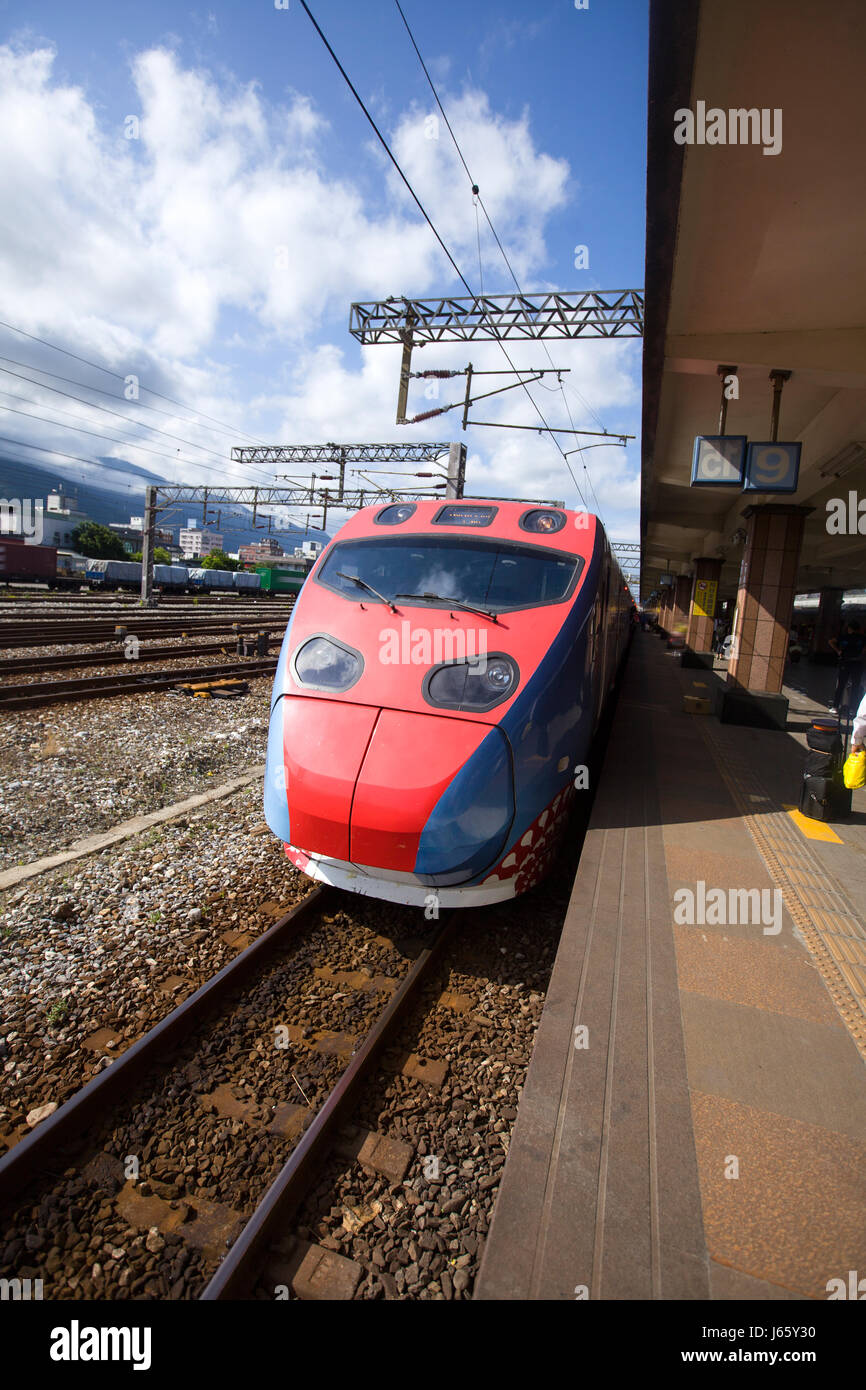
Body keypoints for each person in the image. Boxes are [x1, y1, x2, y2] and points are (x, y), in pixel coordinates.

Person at [829, 620, 865, 714]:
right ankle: (853, 709)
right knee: (855, 687)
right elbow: (865, 649)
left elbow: (831, 641)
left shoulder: (844, 637)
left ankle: (835, 707)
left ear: (849, 628)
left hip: (845, 663)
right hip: (857, 663)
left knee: (841, 685)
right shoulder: (862, 638)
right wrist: (861, 655)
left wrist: (838, 651)